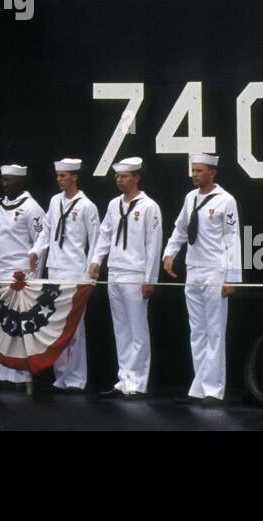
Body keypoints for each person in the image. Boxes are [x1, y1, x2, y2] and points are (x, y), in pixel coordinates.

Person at [163, 152, 241, 402]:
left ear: (212, 173)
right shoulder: (190, 198)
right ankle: (199, 385)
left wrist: (232, 277)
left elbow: (232, 238)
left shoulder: (226, 200)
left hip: (215, 269)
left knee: (215, 331)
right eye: (193, 170)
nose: (194, 174)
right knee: (197, 331)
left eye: (199, 170)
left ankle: (214, 388)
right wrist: (170, 253)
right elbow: (181, 228)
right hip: (193, 268)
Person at [90, 157, 163, 397]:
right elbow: (105, 234)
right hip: (115, 271)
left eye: (124, 176)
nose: (119, 180)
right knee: (121, 329)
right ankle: (124, 378)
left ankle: (138, 382)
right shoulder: (113, 204)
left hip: (135, 272)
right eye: (117, 176)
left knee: (137, 329)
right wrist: (96, 261)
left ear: (136, 178)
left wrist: (149, 278)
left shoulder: (148, 206)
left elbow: (153, 245)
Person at [29, 158, 99, 391]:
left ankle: (77, 378)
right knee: (56, 326)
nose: (59, 179)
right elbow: (46, 230)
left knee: (75, 328)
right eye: (58, 175)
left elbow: (95, 240)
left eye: (63, 175)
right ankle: (61, 376)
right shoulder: (54, 201)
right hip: (55, 268)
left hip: (75, 270)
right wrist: (35, 250)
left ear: (74, 177)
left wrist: (91, 271)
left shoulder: (86, 205)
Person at [0, 164, 45, 387]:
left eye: (9, 180)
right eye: (3, 179)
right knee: (2, 325)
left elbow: (41, 243)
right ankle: (3, 374)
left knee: (20, 327)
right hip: (0, 272)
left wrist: (34, 276)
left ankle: (22, 375)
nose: (4, 183)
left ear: (20, 182)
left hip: (21, 275)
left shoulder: (31, 207)